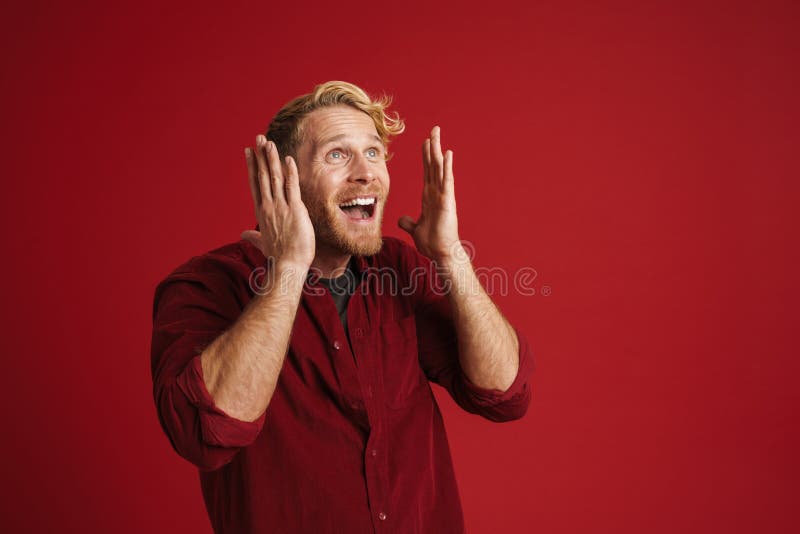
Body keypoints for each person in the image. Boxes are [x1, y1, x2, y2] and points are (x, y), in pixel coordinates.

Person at [150, 81, 535, 534]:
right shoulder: (206, 285)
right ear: (282, 178)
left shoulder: (398, 267)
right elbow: (205, 433)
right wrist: (289, 268)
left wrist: (450, 254)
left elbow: (504, 394)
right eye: (337, 155)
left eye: (374, 153)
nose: (367, 173)